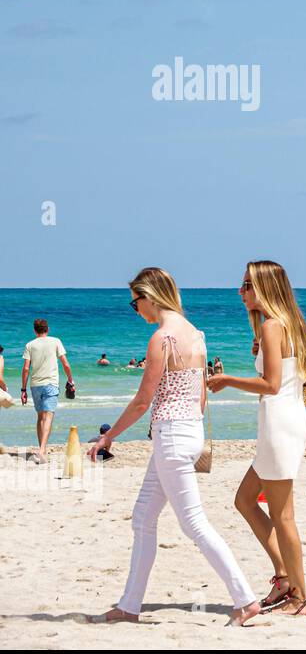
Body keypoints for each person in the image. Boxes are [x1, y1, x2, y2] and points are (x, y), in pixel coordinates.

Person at [86, 267, 259, 626]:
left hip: (171, 437)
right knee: (143, 518)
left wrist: (108, 436)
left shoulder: (162, 338)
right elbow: (199, 396)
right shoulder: (196, 334)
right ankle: (129, 607)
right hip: (187, 433)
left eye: (135, 303)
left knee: (194, 523)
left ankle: (244, 600)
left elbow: (142, 400)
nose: (136, 311)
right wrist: (185, 431)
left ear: (149, 296)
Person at [208, 260, 306, 617]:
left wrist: (227, 381)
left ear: (265, 288)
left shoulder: (272, 326)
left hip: (279, 425)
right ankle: (285, 578)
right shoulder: (289, 325)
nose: (241, 292)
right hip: (288, 420)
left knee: (283, 517)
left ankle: (300, 597)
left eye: (247, 286)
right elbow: (282, 376)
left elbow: (269, 385)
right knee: (245, 500)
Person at [21, 319, 74, 464]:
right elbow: (65, 364)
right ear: (47, 329)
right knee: (48, 416)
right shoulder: (56, 341)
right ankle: (42, 450)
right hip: (51, 383)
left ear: (34, 330)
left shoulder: (30, 345)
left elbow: (26, 369)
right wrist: (70, 380)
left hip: (35, 385)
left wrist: (23, 389)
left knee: (40, 417)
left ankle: (42, 450)